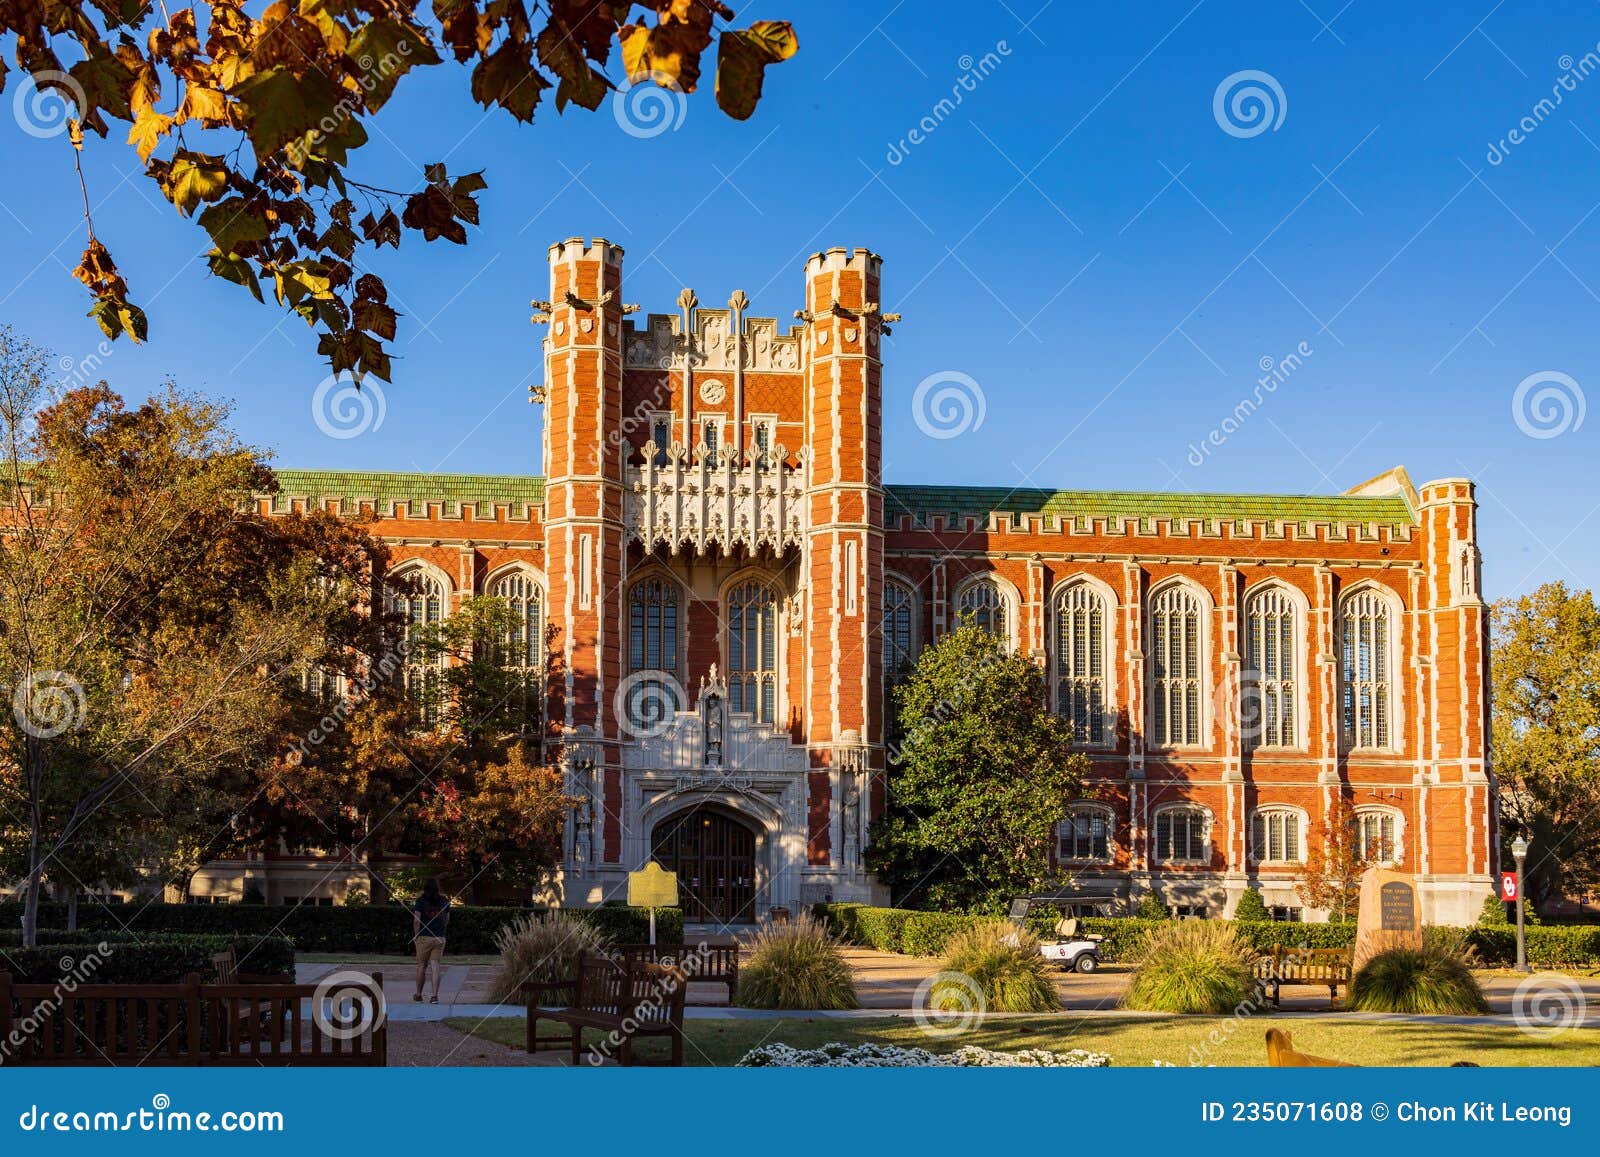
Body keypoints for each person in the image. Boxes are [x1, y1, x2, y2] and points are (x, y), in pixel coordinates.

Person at [412, 878, 450, 1004]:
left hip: (424, 936)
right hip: (439, 937)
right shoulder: (444, 900)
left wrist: (416, 935)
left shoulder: (420, 901)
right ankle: (434, 996)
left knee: (421, 966)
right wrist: (440, 930)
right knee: (435, 966)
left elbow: (417, 920)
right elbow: (446, 919)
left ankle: (418, 994)